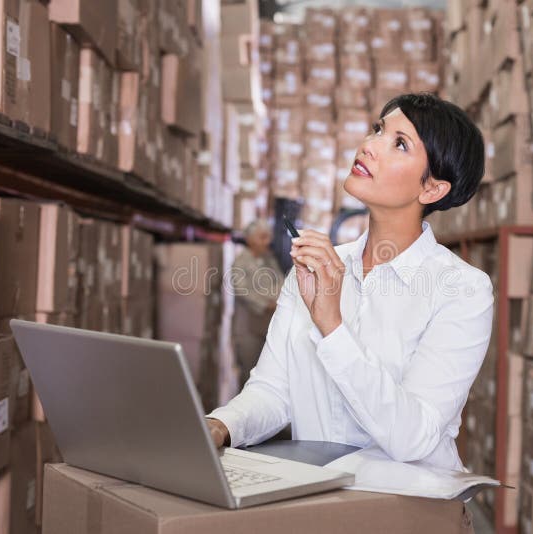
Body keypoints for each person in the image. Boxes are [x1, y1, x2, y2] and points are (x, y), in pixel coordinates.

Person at [207, 93, 493, 471]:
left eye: (399, 143)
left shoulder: (463, 290)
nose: (369, 146)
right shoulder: (317, 266)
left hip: (410, 510)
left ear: (431, 189)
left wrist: (332, 326)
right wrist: (218, 426)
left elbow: (414, 437)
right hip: (322, 501)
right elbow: (274, 392)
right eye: (378, 129)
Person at [231, 219, 285, 390]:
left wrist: (279, 299)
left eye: (268, 237)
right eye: (262, 237)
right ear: (250, 239)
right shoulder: (241, 262)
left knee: (265, 375)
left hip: (267, 326)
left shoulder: (269, 259)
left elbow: (280, 283)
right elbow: (242, 291)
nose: (267, 242)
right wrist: (267, 304)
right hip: (248, 328)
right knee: (248, 373)